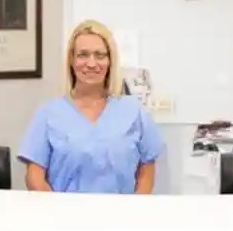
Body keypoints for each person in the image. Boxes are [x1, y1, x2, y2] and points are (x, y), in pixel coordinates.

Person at [18, 20, 164, 193]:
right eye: (83, 55)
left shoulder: (133, 111)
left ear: (110, 61)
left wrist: (134, 211)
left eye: (100, 55)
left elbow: (147, 169)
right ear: (71, 60)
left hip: (121, 217)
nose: (92, 63)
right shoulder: (48, 114)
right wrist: (57, 214)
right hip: (64, 217)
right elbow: (34, 177)